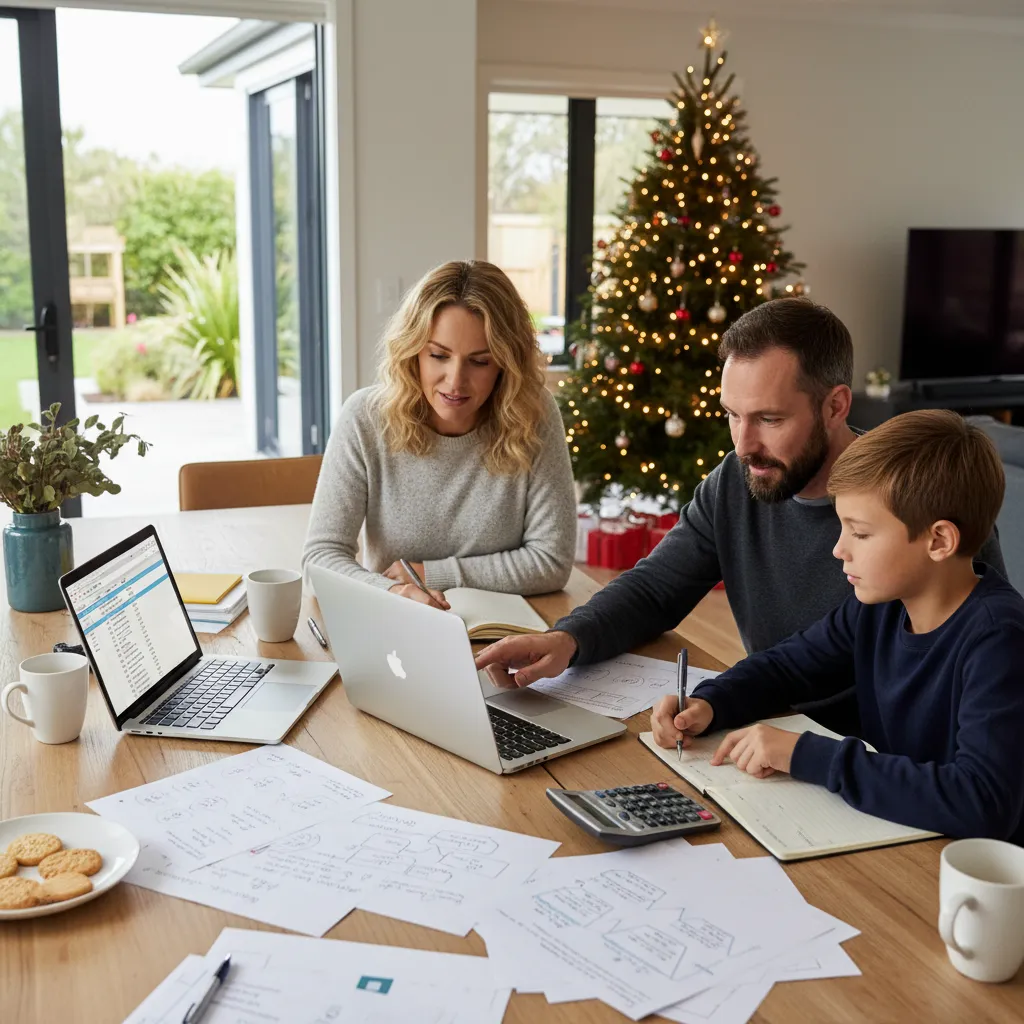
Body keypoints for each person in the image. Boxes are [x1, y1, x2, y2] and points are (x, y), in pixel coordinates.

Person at [475, 298, 1005, 734]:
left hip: (882, 764)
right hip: (763, 725)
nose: (744, 444)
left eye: (769, 418)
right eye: (732, 415)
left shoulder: (926, 500)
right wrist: (568, 640)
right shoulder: (739, 479)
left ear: (837, 406)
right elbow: (657, 588)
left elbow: (978, 673)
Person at [650, 410, 1024, 842]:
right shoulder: (880, 608)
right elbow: (787, 667)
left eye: (860, 533)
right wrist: (711, 702)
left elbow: (981, 802)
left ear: (939, 541)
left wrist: (807, 755)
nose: (838, 549)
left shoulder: (999, 640)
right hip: (901, 835)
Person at [302, 260, 576, 607]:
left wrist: (431, 575)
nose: (455, 381)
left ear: (506, 364)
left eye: (480, 361)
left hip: (508, 636)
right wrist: (394, 593)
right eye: (438, 355)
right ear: (412, 351)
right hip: (395, 625)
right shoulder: (365, 418)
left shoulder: (534, 414)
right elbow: (320, 560)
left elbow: (550, 561)